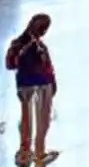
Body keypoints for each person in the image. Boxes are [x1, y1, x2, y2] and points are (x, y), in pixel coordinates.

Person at [5, 14, 58, 166]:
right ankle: (39, 153)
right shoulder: (38, 47)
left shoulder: (17, 43)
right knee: (42, 120)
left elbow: (10, 65)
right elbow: (46, 68)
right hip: (41, 85)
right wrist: (53, 83)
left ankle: (25, 152)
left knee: (26, 120)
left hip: (23, 86)